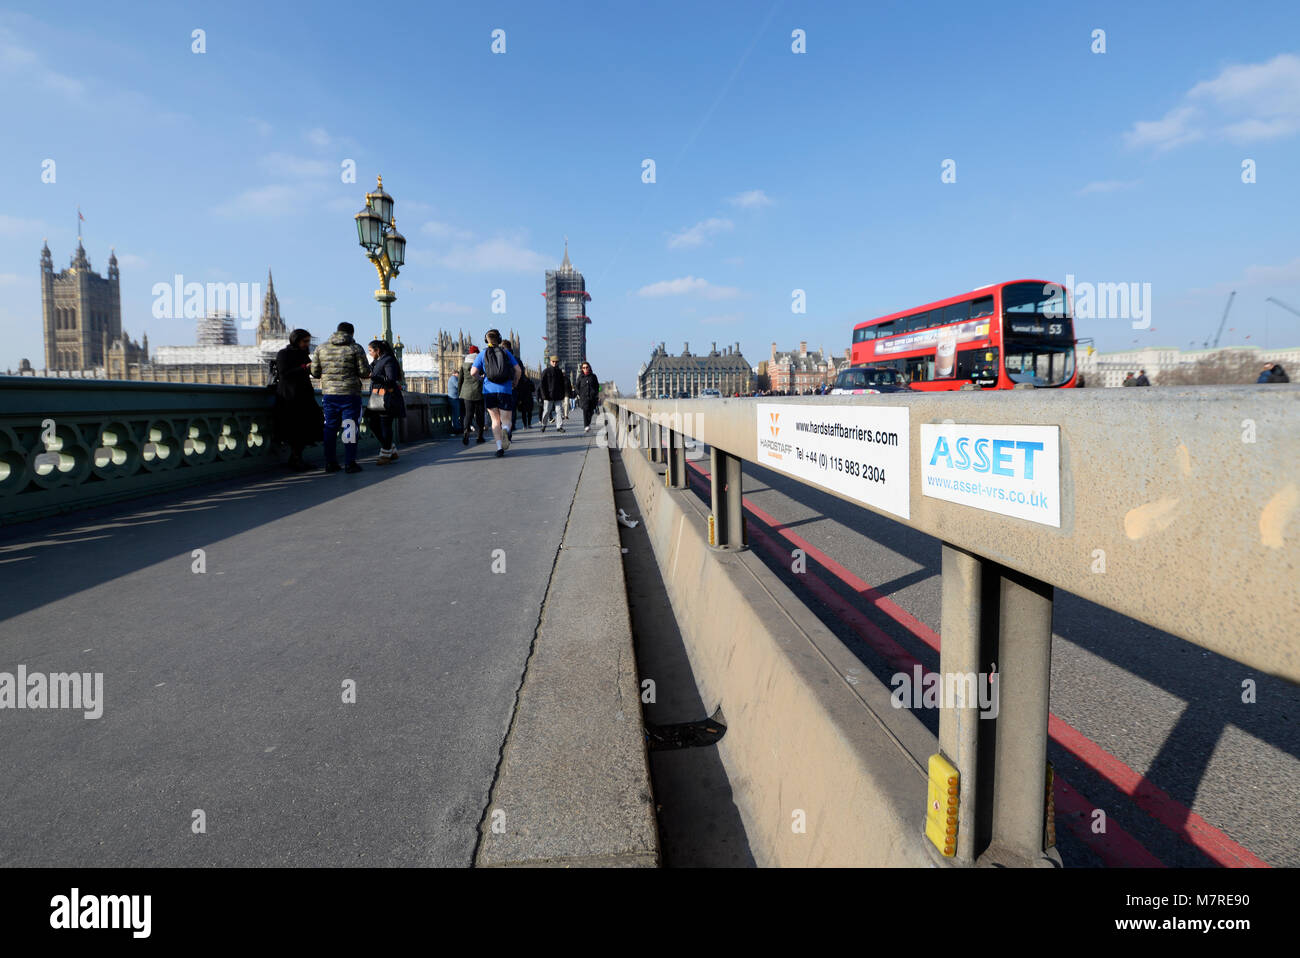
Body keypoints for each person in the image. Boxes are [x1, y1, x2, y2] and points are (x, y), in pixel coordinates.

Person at [310, 321, 370, 473]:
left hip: (329, 394)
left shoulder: (321, 348)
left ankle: (330, 463)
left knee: (330, 428)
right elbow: (364, 372)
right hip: (350, 395)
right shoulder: (355, 348)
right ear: (352, 333)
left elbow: (315, 372)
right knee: (349, 427)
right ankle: (350, 463)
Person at [273, 328, 322, 471]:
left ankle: (297, 458)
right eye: (304, 341)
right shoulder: (283, 354)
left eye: (308, 341)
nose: (307, 344)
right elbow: (284, 373)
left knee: (308, 427)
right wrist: (304, 367)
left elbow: (312, 372)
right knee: (295, 429)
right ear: (296, 340)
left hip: (304, 397)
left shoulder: (304, 354)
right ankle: (295, 459)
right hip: (289, 397)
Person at [470, 329, 521, 457]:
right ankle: (506, 430)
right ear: (499, 340)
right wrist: (514, 382)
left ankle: (499, 448)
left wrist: (482, 379)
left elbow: (473, 372)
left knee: (495, 421)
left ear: (486, 340)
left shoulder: (482, 354)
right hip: (505, 390)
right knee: (506, 420)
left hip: (489, 391)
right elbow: (518, 370)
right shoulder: (506, 352)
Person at [366, 339, 406, 465]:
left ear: (378, 350)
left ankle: (385, 454)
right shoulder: (377, 361)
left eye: (371, 351)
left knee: (385, 425)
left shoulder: (388, 360)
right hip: (377, 396)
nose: (370, 353)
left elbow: (390, 379)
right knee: (373, 424)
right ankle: (390, 448)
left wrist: (373, 376)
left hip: (387, 397)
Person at [460, 345, 485, 445]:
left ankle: (466, 431)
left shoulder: (463, 364)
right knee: (480, 415)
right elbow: (484, 377)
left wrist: (460, 393)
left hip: (466, 393)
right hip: (479, 392)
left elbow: (460, 380)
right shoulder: (480, 363)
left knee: (468, 414)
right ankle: (480, 436)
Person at [539, 355, 568, 433]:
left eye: (556, 362)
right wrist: (544, 395)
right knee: (547, 411)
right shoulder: (546, 371)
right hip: (548, 395)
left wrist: (562, 394)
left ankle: (559, 426)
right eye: (553, 362)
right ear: (550, 362)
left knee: (559, 411)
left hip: (558, 395)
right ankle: (543, 424)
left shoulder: (559, 372)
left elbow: (562, 384)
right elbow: (542, 384)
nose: (555, 363)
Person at [575, 361, 600, 432]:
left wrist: (595, 393)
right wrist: (579, 393)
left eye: (586, 367)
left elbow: (597, 386)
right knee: (585, 411)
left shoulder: (593, 376)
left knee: (591, 412)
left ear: (589, 368)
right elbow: (577, 386)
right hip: (583, 398)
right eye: (583, 368)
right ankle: (586, 425)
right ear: (582, 369)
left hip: (592, 398)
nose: (585, 369)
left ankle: (588, 423)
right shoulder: (580, 377)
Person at [446, 368, 462, 434]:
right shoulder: (453, 378)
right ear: (456, 373)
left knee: (455, 414)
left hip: (453, 398)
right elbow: (458, 386)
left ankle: (457, 427)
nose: (459, 376)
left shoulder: (452, 378)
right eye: (458, 374)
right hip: (454, 398)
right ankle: (456, 428)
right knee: (456, 414)